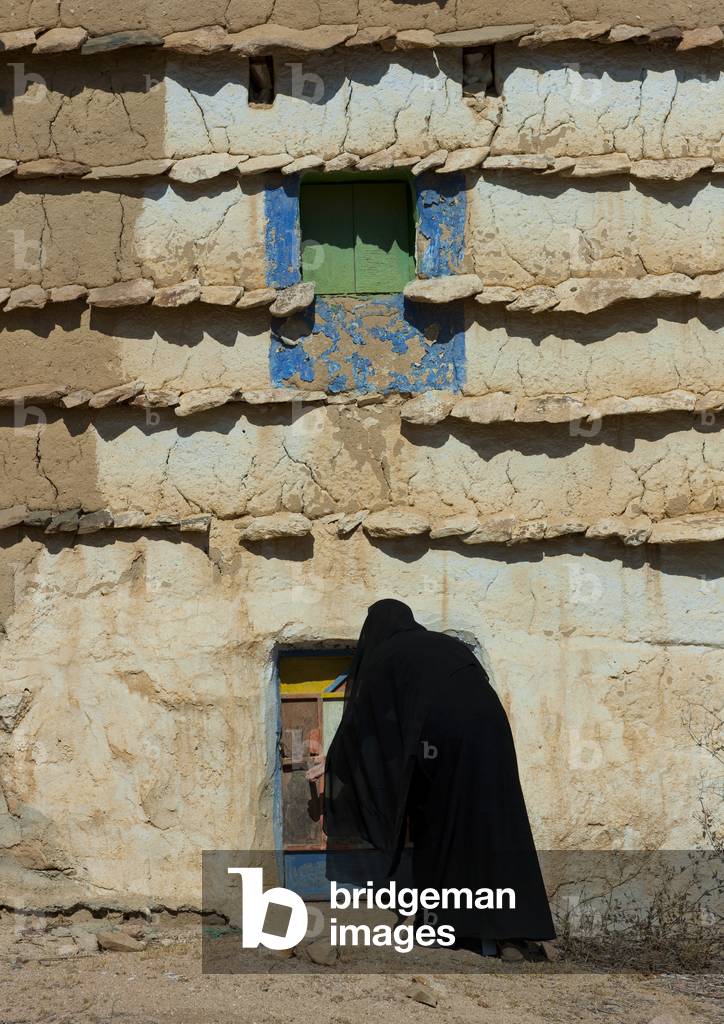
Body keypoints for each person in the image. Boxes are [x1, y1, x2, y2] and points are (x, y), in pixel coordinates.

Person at [306, 598, 555, 959]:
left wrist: (336, 764)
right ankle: (512, 934)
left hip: (443, 735)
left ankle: (451, 927)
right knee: (497, 822)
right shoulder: (442, 645)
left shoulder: (384, 656)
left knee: (439, 825)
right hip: (492, 728)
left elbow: (366, 730)